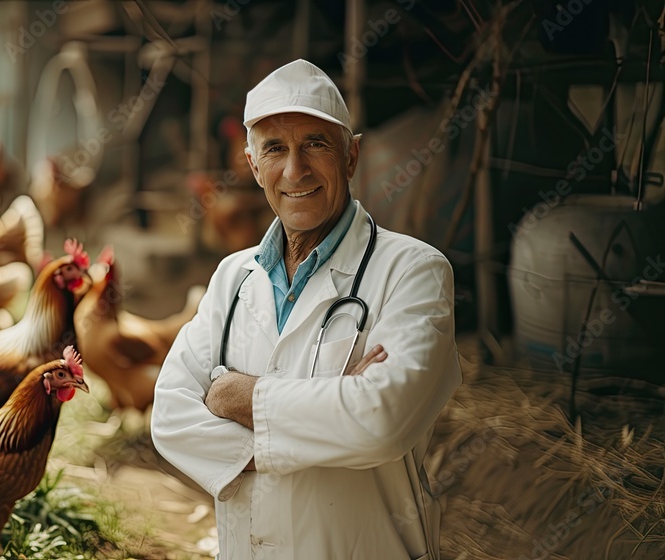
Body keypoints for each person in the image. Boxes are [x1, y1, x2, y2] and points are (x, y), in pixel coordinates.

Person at [151, 59, 462, 559]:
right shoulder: (234, 277)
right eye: (275, 149)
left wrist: (236, 399)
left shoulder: (414, 271)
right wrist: (334, 405)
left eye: (315, 144)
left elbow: (379, 422)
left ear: (352, 155)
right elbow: (169, 415)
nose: (295, 170)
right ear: (253, 166)